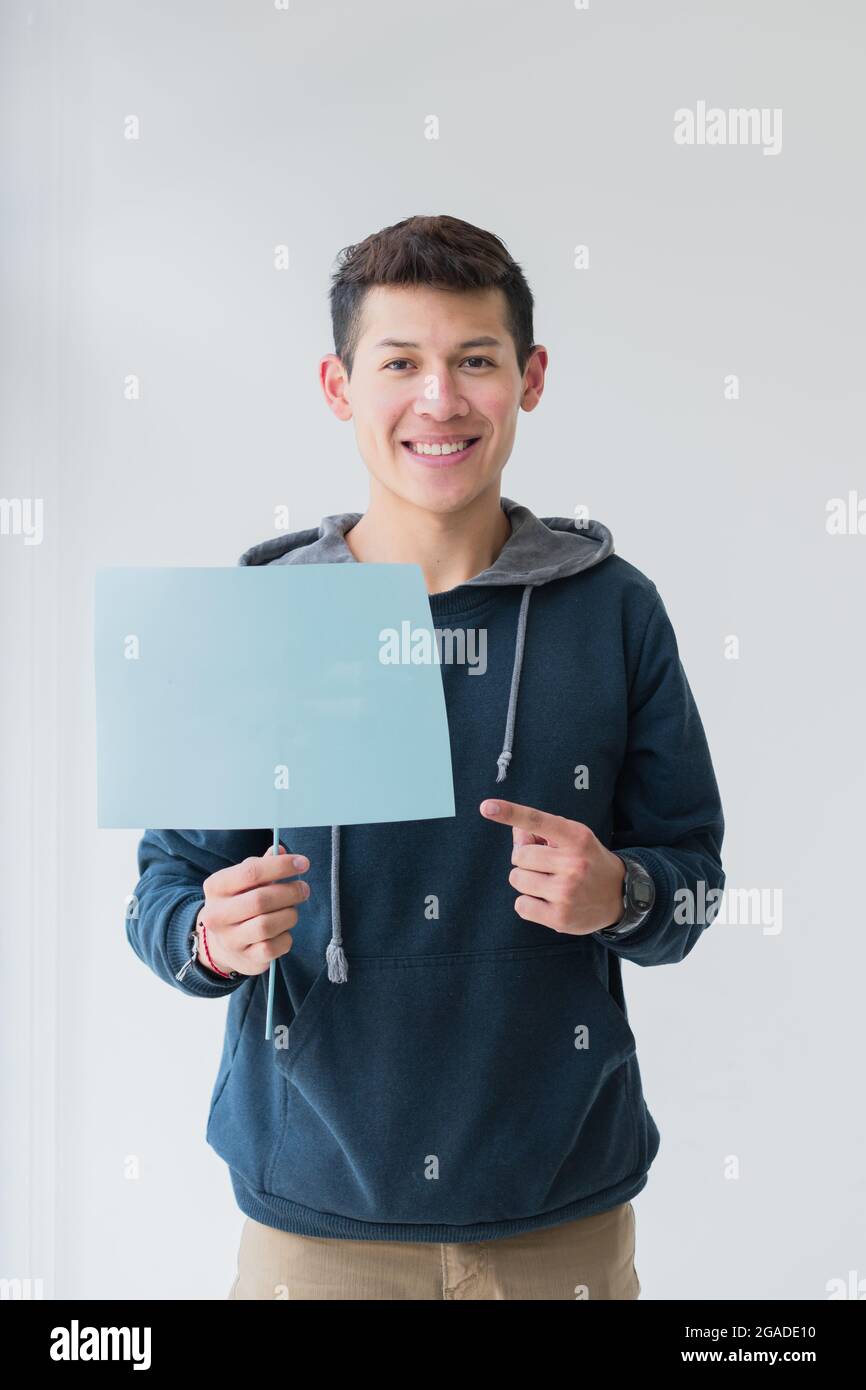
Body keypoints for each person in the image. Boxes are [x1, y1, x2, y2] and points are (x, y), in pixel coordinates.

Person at [128, 214, 725, 1301]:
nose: (439, 399)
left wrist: (623, 892)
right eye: (400, 362)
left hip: (563, 1221)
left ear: (529, 377)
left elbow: (692, 883)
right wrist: (209, 936)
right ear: (337, 384)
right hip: (313, 1227)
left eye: (475, 361)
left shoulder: (615, 611)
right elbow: (161, 893)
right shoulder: (267, 614)